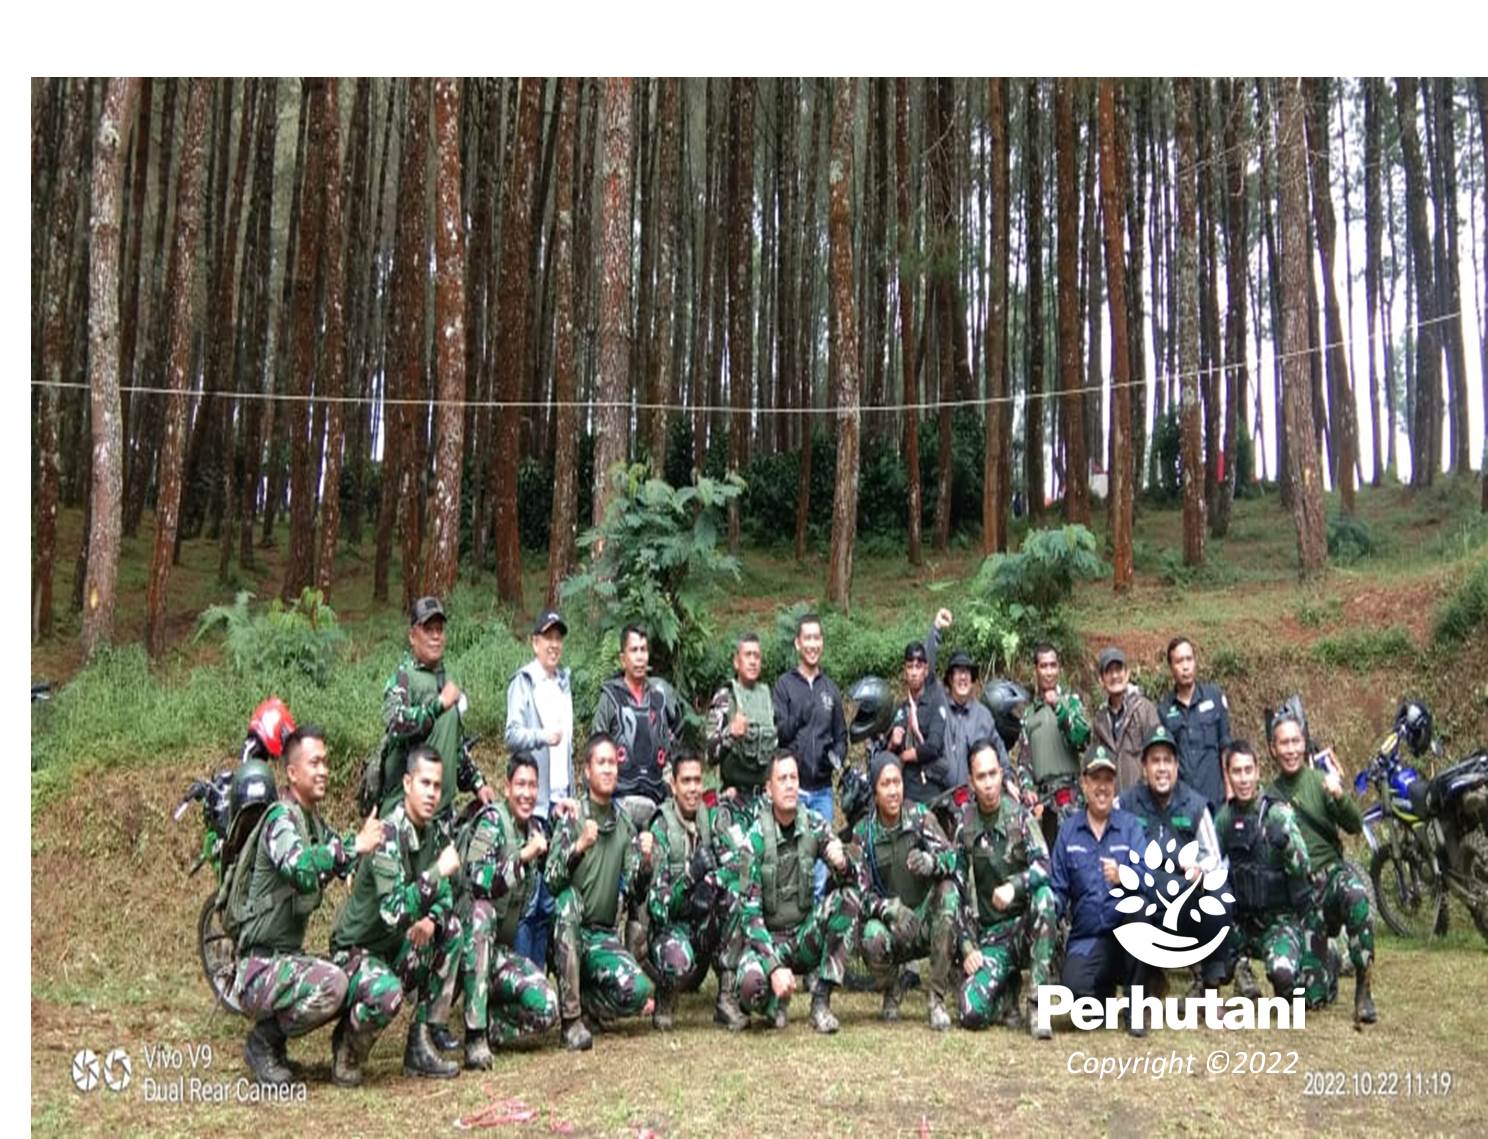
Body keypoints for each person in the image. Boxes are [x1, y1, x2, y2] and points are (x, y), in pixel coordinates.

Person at [232, 728, 383, 1085]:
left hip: (286, 960)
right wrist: (353, 847)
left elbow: (340, 854)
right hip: (259, 966)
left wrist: (361, 852)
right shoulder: (280, 819)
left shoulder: (313, 823)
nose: (324, 771)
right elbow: (300, 867)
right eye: (314, 762)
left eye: (326, 763)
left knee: (358, 976)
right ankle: (263, 1042)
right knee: (332, 984)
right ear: (292, 772)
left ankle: (340, 1052)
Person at [329, 745, 468, 1084]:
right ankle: (347, 1049)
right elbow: (393, 912)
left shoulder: (433, 831)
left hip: (393, 946)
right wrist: (437, 873)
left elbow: (446, 896)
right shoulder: (389, 834)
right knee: (387, 991)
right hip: (356, 951)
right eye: (425, 783)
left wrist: (431, 919)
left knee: (448, 929)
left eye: (437, 786)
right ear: (407, 784)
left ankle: (421, 1041)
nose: (432, 793)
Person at [732, 749, 864, 1033]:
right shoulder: (753, 840)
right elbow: (749, 917)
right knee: (750, 987)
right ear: (769, 789)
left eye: (794, 777)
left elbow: (852, 880)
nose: (791, 784)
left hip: (805, 937)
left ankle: (820, 1002)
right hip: (769, 940)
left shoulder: (815, 824)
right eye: (782, 779)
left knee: (849, 900)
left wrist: (842, 864)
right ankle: (773, 1003)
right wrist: (773, 967)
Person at [546, 733, 657, 1051]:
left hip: (602, 935)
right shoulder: (573, 816)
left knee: (637, 992)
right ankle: (570, 1020)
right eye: (601, 763)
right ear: (586, 771)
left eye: (613, 763)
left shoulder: (623, 823)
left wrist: (646, 861)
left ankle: (587, 1004)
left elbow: (636, 891)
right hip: (569, 933)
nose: (609, 770)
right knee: (567, 901)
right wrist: (578, 848)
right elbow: (552, 882)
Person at [1266, 713, 1376, 1025]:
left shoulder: (1319, 782)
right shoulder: (1268, 796)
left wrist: (1340, 796)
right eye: (1283, 743)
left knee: (1356, 895)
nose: (1290, 750)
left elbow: (1355, 825)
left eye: (1295, 742)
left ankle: (1364, 987)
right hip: (1300, 895)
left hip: (1330, 878)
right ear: (1272, 749)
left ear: (1304, 745)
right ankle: (1328, 962)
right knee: (1311, 1001)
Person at [454, 753, 560, 1070]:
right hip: (464, 946)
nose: (527, 793)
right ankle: (474, 1036)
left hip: (498, 952)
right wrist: (523, 858)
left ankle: (492, 1025)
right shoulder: (492, 821)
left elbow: (557, 877)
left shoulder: (534, 831)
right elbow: (478, 881)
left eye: (532, 786)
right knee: (483, 912)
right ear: (507, 787)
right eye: (521, 785)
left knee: (547, 1007)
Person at [954, 738, 1058, 1038]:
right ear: (971, 782)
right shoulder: (966, 827)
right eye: (980, 777)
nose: (988, 784)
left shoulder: (1021, 818)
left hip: (1026, 931)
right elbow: (956, 891)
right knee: (970, 1013)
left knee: (1044, 897)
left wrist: (1015, 886)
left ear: (1002, 774)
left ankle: (1039, 1003)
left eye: (992, 774)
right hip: (992, 940)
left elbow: (1045, 866)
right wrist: (967, 946)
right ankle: (1005, 991)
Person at [851, 752, 960, 1031]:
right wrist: (888, 910)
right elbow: (858, 894)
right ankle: (892, 986)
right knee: (871, 937)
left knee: (948, 893)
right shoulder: (864, 834)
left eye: (897, 782)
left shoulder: (921, 818)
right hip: (892, 925)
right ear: (875, 791)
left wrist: (931, 863)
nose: (893, 790)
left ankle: (936, 999)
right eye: (885, 784)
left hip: (923, 919)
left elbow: (953, 859)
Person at [1049, 747, 1152, 1035]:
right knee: (1076, 997)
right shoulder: (1068, 832)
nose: (1102, 786)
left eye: (1108, 779)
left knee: (1140, 910)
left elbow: (1149, 878)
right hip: (1088, 938)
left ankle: (1135, 1003)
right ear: (1084, 783)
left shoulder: (1130, 827)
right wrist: (1044, 910)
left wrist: (1125, 876)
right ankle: (1103, 996)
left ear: (1115, 784)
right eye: (1096, 779)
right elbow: (1057, 888)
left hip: (1126, 936)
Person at [1119, 724, 1223, 996]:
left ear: (1177, 766)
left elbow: (1213, 856)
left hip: (1183, 901)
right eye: (1155, 761)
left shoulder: (1195, 805)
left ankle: (1208, 984)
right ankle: (1140, 987)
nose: (1162, 768)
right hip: (1143, 899)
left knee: (1220, 894)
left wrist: (1200, 868)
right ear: (1144, 767)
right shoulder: (1126, 804)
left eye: (1167, 760)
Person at [646, 750, 745, 1031]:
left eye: (697, 781)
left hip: (704, 923)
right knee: (677, 961)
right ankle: (666, 995)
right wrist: (689, 880)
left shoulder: (713, 818)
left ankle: (726, 999)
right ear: (673, 785)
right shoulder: (662, 826)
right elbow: (656, 905)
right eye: (686, 781)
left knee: (737, 895)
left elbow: (741, 864)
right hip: (673, 927)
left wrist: (711, 883)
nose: (692, 788)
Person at [1213, 741, 1318, 1002]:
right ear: (1228, 776)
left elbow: (1304, 867)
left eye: (1248, 770)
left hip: (1278, 920)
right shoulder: (1224, 819)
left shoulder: (1278, 814)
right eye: (1237, 772)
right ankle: (1238, 972)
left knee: (1282, 976)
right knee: (1212, 963)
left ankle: (1300, 966)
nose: (1244, 778)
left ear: (1258, 771)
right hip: (1241, 920)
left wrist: (1286, 844)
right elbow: (1210, 865)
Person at [378, 596, 492, 827]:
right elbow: (395, 725)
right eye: (428, 629)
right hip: (405, 818)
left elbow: (455, 747)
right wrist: (437, 705)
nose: (435, 636)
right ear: (412, 636)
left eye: (439, 630)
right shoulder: (403, 677)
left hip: (442, 818)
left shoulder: (446, 680)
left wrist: (478, 784)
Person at [503, 609, 575, 970]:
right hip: (534, 803)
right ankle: (521, 979)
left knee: (550, 898)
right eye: (547, 637)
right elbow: (511, 734)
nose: (553, 644)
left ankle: (539, 983)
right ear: (534, 642)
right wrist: (542, 737)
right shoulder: (524, 682)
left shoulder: (564, 683)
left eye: (558, 638)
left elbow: (569, 749)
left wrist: (572, 795)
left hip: (561, 805)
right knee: (528, 901)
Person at [772, 613, 848, 898]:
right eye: (808, 638)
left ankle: (814, 930)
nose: (813, 644)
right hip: (794, 790)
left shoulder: (830, 689)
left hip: (823, 792)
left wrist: (837, 754)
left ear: (822, 643)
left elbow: (842, 735)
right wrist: (799, 717)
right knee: (790, 863)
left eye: (817, 638)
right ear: (798, 643)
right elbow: (778, 733)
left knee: (820, 866)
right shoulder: (784, 685)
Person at [591, 623, 683, 820]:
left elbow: (671, 751)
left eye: (643, 649)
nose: (640, 657)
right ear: (623, 659)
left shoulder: (661, 697)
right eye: (634, 650)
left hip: (656, 799)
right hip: (618, 800)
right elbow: (595, 751)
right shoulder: (610, 698)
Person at [1016, 642, 1090, 849]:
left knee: (1076, 855)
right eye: (1043, 666)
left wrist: (1060, 708)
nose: (1049, 672)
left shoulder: (1071, 702)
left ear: (1059, 669)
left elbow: (1082, 739)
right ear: (1035, 670)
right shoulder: (1029, 714)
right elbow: (1023, 762)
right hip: (1043, 801)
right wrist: (1027, 789)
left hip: (1071, 796)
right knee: (1047, 862)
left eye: (1053, 665)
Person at [706, 631, 779, 831]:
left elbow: (776, 750)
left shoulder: (767, 698)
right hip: (733, 798)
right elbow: (709, 754)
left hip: (764, 800)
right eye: (748, 655)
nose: (753, 661)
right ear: (736, 662)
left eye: (757, 656)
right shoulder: (725, 698)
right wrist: (730, 733)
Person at [924, 608, 1004, 788]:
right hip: (941, 799)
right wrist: (935, 630)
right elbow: (927, 671)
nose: (963, 677)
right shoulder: (938, 704)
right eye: (958, 672)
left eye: (967, 672)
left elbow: (1000, 753)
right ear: (950, 678)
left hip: (975, 803)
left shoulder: (983, 715)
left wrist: (1010, 780)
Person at [1156, 637, 1233, 814]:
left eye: (1189, 659)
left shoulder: (1214, 697)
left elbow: (1225, 746)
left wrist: (1230, 790)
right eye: (1179, 661)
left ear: (1195, 661)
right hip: (1183, 803)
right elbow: (1166, 759)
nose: (1185, 666)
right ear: (1171, 668)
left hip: (1216, 799)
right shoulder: (1164, 709)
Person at [1090, 646, 1160, 796]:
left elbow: (1157, 754)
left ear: (1127, 674)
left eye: (1119, 669)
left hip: (1142, 801)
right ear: (1101, 680)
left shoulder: (1144, 709)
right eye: (1109, 672)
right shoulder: (1100, 720)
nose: (1115, 676)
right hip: (1111, 803)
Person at [887, 642, 951, 805]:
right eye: (910, 667)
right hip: (906, 791)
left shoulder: (936, 702)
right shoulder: (902, 708)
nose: (914, 672)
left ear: (925, 670)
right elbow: (889, 754)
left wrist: (905, 756)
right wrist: (893, 743)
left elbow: (933, 747)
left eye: (918, 667)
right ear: (905, 671)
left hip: (932, 790)